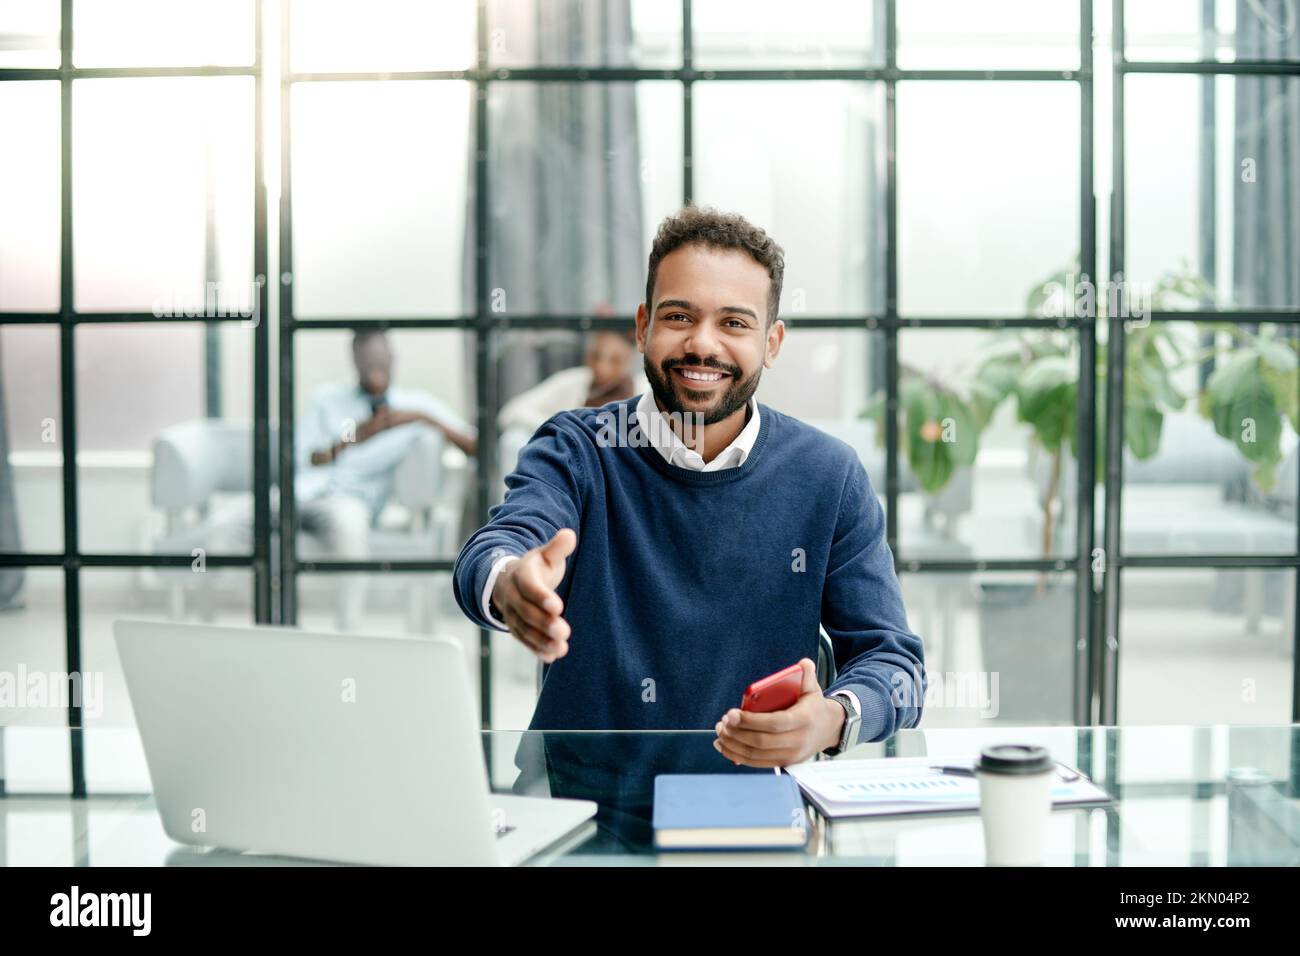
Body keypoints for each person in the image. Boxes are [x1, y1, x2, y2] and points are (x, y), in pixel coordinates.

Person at [452, 206, 926, 768]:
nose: (703, 345)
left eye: (734, 323)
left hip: (757, 814)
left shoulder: (830, 475)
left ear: (772, 343)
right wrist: (511, 583)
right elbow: (496, 549)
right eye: (679, 316)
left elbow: (894, 664)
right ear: (642, 326)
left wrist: (832, 717)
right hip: (577, 806)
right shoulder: (576, 447)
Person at [297, 330, 476, 629]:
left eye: (379, 359)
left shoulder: (414, 405)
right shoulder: (327, 400)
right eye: (365, 360)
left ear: (393, 357)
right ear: (353, 360)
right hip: (300, 492)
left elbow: (475, 446)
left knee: (349, 529)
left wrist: (421, 418)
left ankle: (347, 634)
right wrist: (357, 434)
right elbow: (308, 458)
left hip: (348, 502)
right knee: (232, 527)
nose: (373, 368)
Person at [497, 328, 648, 435]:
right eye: (595, 356)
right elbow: (512, 411)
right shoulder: (573, 382)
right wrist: (563, 427)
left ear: (629, 360)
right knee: (514, 438)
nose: (602, 368)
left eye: (615, 360)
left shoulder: (645, 390)